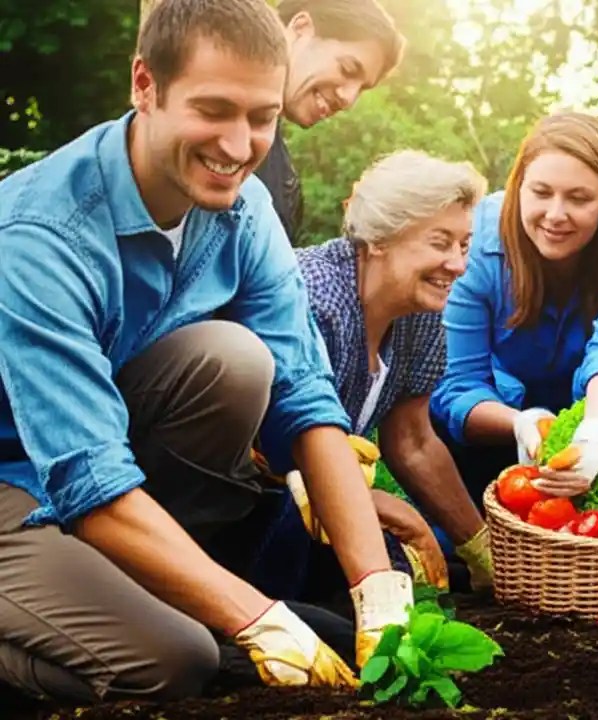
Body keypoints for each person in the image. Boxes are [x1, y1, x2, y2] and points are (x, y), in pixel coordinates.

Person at [0, 0, 411, 702]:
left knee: (235, 361)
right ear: (144, 85)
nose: (239, 143)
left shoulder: (240, 210)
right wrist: (251, 617)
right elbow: (88, 479)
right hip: (17, 475)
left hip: (94, 473)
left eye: (261, 116)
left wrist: (377, 590)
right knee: (179, 661)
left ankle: (149, 592)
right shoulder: (43, 236)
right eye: (213, 109)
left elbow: (305, 395)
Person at [430, 112, 598, 502]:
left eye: (579, 198)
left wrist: (597, 433)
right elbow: (460, 382)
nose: (556, 215)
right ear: (519, 186)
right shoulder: (475, 244)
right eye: (541, 193)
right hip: (515, 402)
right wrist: (520, 423)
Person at [278, 149, 494, 591]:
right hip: (261, 503)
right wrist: (390, 508)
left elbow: (412, 440)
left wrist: (481, 547)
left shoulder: (420, 312)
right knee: (391, 578)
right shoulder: (314, 299)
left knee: (420, 576)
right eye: (440, 242)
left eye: (464, 244)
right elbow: (278, 458)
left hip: (326, 505)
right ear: (379, 238)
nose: (458, 264)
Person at [255, 0, 406, 243]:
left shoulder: (283, 177)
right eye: (348, 68)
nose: (348, 99)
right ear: (300, 28)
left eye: (362, 89)